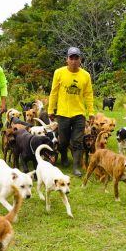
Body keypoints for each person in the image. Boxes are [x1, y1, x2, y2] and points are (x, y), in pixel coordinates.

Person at [48, 46, 94, 177]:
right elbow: (54, 92)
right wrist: (51, 109)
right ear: (66, 60)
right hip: (63, 113)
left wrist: (91, 112)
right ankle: (63, 157)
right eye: (71, 58)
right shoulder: (59, 73)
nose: (74, 61)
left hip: (79, 113)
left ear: (80, 60)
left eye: (76, 58)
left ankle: (76, 167)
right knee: (63, 141)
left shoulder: (85, 75)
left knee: (77, 141)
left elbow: (88, 95)